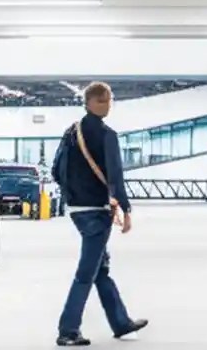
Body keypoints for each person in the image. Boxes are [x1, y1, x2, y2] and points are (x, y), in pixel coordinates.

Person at [52, 81, 148, 347]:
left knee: (100, 269)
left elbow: (55, 170)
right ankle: (68, 330)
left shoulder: (71, 133)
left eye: (109, 100)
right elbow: (116, 177)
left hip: (77, 209)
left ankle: (121, 322)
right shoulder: (107, 135)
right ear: (90, 102)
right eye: (102, 100)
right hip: (97, 212)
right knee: (86, 273)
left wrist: (74, 195)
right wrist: (126, 210)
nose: (107, 105)